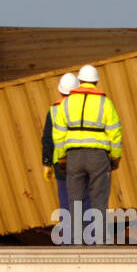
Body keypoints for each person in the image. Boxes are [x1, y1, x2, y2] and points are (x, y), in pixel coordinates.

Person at [52, 64, 122, 244]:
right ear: (96, 81)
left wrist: (61, 157)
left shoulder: (67, 103)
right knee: (99, 198)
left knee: (75, 200)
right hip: (98, 156)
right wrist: (115, 156)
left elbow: (58, 133)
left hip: (74, 157)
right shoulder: (105, 102)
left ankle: (76, 241)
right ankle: (99, 240)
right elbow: (115, 132)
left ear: (80, 80)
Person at [43, 73, 88, 228]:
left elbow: (48, 140)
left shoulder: (54, 111)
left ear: (60, 91)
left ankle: (70, 243)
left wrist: (47, 163)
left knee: (67, 204)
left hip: (62, 165)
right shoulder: (87, 108)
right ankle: (92, 242)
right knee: (87, 204)